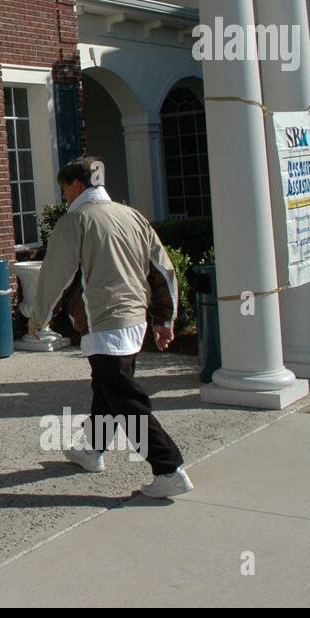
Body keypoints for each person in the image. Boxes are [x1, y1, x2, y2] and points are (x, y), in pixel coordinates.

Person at [26, 156, 193, 497]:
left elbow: (56, 275)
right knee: (108, 390)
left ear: (75, 185)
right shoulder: (132, 216)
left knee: (125, 399)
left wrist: (38, 318)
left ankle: (169, 468)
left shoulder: (76, 220)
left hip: (103, 321)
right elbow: (162, 270)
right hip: (134, 320)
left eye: (64, 189)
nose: (64, 197)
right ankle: (91, 450)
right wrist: (164, 319)